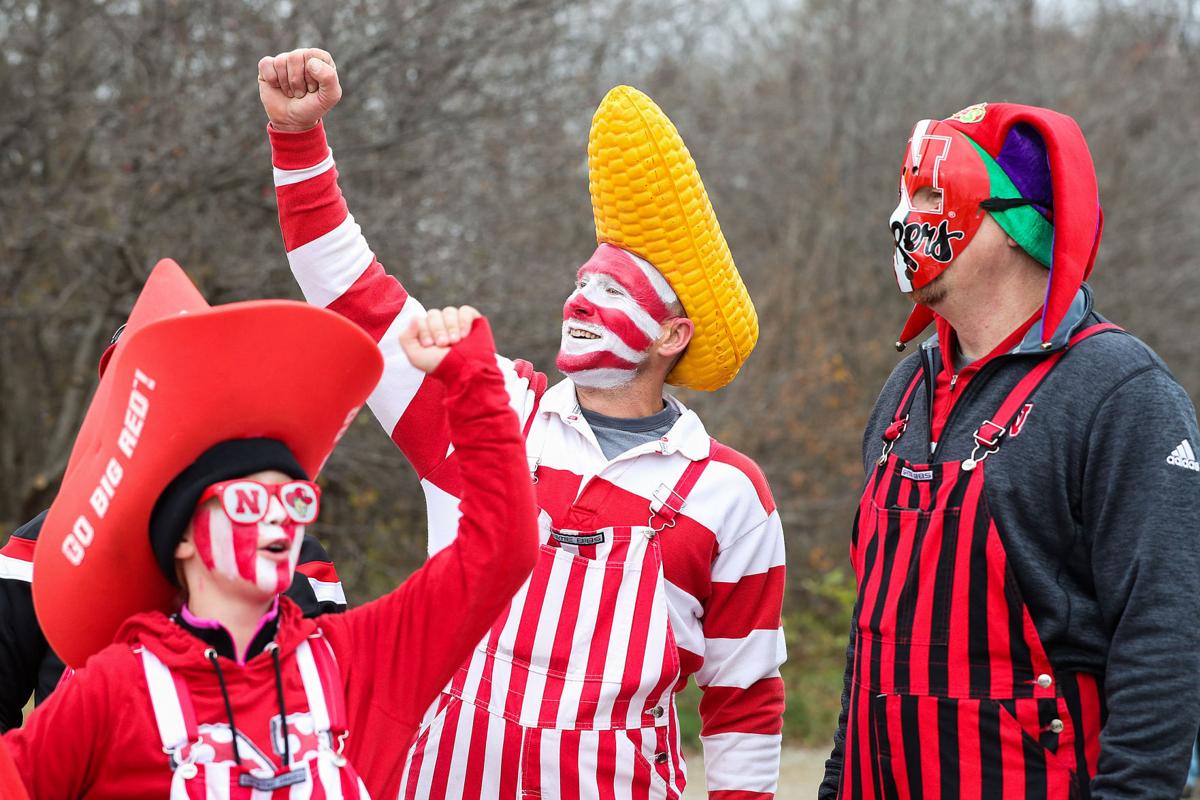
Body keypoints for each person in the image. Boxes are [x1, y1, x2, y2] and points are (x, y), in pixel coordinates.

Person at [257, 48, 786, 799]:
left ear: (673, 337)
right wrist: (297, 139)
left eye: (612, 290)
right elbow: (350, 293)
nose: (579, 302)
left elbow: (745, 700)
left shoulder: (731, 493)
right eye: (583, 284)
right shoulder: (486, 406)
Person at [4, 259, 538, 799]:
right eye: (248, 500)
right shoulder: (114, 688)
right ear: (183, 540)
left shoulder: (351, 656)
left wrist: (471, 382)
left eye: (294, 497)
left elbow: (503, 550)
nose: (278, 513)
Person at [820, 102, 1200, 798]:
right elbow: (871, 636)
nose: (905, 217)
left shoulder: (1121, 392)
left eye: (931, 194)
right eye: (906, 195)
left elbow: (1165, 641)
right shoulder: (906, 388)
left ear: (1016, 220)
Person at [0, 331, 348, 733]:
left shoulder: (292, 555)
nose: (162, 413)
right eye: (142, 390)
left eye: (186, 389)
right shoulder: (43, 547)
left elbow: (344, 712)